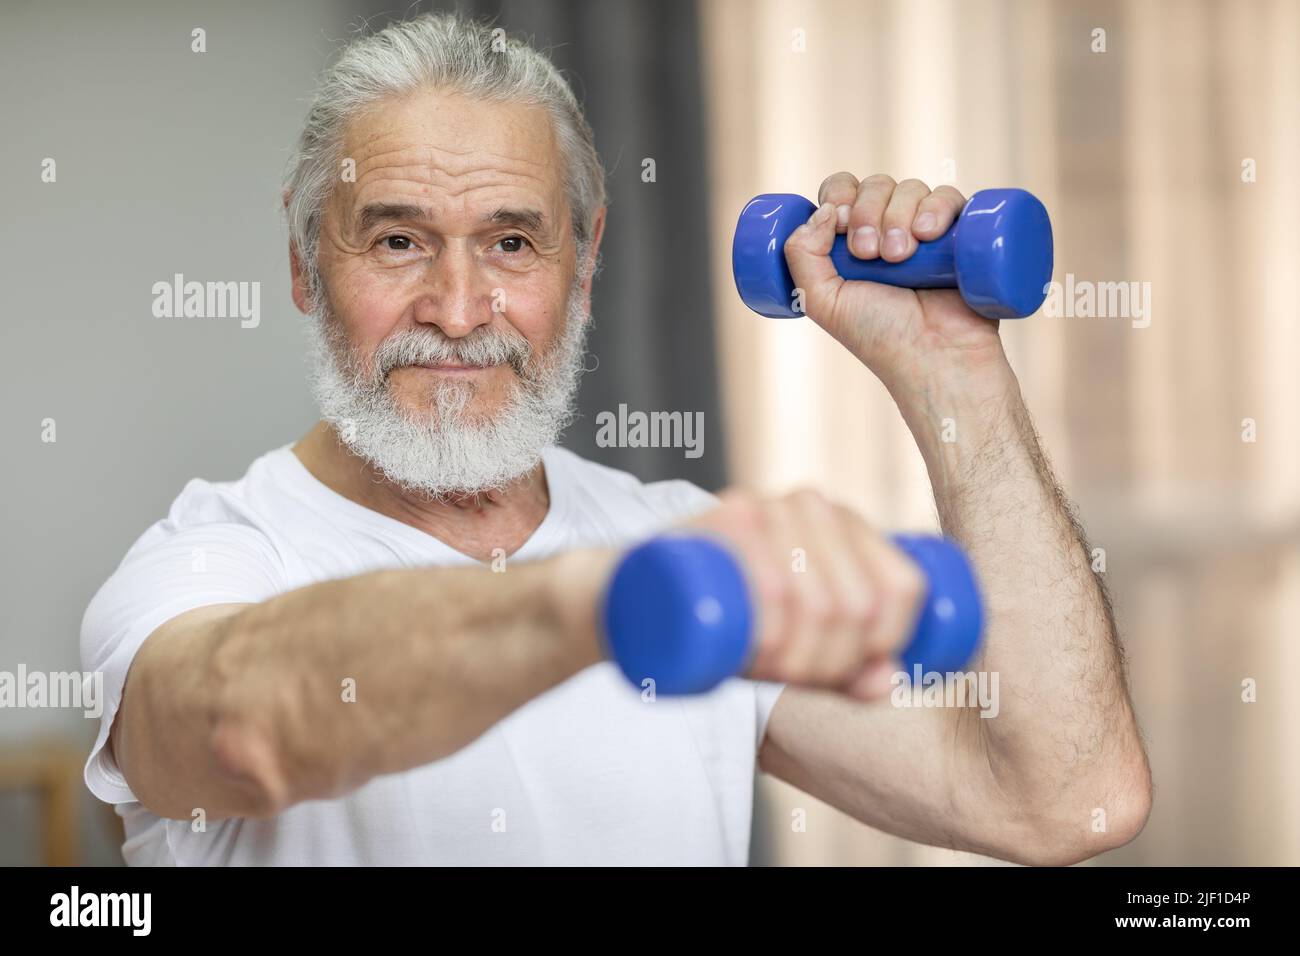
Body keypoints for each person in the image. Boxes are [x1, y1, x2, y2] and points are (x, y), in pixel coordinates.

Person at [81, 12, 1150, 866]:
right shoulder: (209, 559)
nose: (457, 309)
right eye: (398, 240)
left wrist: (952, 370)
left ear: (582, 265)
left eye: (511, 241)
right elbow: (230, 724)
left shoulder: (680, 536)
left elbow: (1067, 798)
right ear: (306, 263)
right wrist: (597, 604)